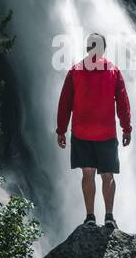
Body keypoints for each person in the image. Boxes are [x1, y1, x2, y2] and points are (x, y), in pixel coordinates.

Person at [55, 31, 131, 229]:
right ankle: (109, 216)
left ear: (88, 48)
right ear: (104, 48)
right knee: (108, 175)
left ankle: (90, 216)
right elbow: (123, 103)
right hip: (106, 133)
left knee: (87, 174)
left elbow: (65, 103)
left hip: (82, 132)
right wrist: (126, 128)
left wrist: (61, 130)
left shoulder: (75, 71)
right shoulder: (113, 71)